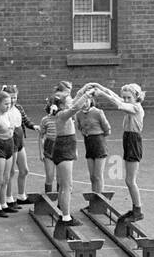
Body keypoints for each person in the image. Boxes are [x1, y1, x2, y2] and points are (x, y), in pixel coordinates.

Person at [81, 82, 147, 219]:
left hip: (133, 141)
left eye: (129, 97)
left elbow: (119, 104)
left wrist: (102, 93)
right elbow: (115, 97)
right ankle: (135, 208)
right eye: (125, 97)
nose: (126, 99)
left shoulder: (135, 108)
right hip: (128, 139)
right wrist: (99, 86)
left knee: (130, 180)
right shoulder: (131, 104)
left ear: (136, 97)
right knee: (129, 180)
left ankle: (138, 210)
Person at [38, 81, 90, 222]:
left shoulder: (62, 111)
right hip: (64, 147)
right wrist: (87, 94)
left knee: (63, 184)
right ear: (61, 105)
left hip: (66, 146)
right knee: (67, 186)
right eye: (68, 101)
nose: (71, 102)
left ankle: (63, 211)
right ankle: (66, 217)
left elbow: (74, 102)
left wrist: (85, 87)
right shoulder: (63, 114)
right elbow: (76, 107)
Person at [2, 84, 39, 211]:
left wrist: (34, 126)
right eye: (10, 98)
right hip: (10, 143)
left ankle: (21, 196)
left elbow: (25, 120)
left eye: (15, 97)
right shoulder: (4, 111)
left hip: (20, 142)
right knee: (10, 172)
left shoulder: (18, 108)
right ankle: (8, 198)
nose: (13, 101)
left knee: (24, 170)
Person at [74, 90, 112, 196]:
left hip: (99, 143)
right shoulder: (78, 114)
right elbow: (80, 128)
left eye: (87, 101)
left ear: (91, 100)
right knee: (92, 176)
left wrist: (99, 137)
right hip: (88, 143)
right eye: (82, 101)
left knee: (98, 175)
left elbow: (107, 129)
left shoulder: (98, 112)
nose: (84, 103)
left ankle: (99, 200)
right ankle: (94, 197)